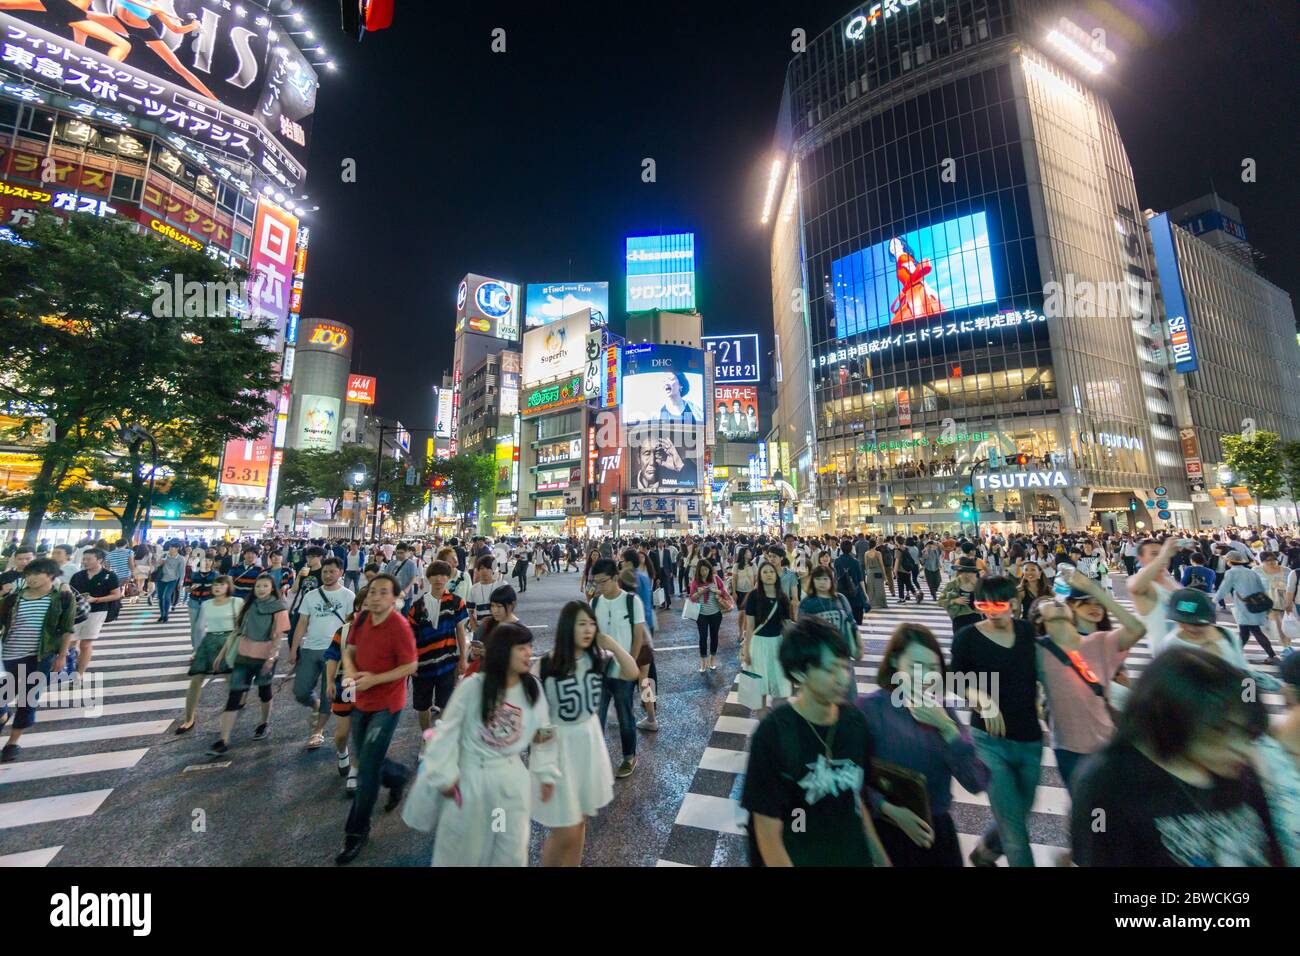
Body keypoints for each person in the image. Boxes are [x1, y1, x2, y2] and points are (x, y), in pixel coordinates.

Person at [1071, 647, 1283, 866]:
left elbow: (1273, 850)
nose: (1243, 749)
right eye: (1220, 731)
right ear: (1171, 719)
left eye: (1248, 733)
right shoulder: (1106, 783)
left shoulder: (1239, 772)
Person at [741, 616, 891, 866]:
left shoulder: (855, 722)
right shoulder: (773, 733)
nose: (843, 678)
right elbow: (768, 833)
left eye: (844, 667)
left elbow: (857, 801)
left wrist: (881, 859)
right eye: (830, 670)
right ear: (800, 672)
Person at [408, 623, 559, 866]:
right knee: (466, 854)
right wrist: (444, 774)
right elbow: (447, 732)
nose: (528, 653)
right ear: (502, 651)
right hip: (471, 786)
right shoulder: (473, 687)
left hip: (508, 789)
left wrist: (546, 773)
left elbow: (543, 735)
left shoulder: (532, 690)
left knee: (507, 849)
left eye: (529, 647)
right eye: (521, 648)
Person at [860, 623, 989, 866]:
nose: (926, 677)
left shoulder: (942, 711)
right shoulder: (869, 709)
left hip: (935, 834)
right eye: (916, 667)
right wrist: (887, 808)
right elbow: (851, 779)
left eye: (933, 668)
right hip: (885, 833)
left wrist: (948, 729)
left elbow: (976, 781)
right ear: (896, 662)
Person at [535, 601, 640, 866]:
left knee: (580, 820)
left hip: (588, 742)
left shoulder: (599, 660)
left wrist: (612, 644)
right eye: (582, 623)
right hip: (560, 746)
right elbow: (539, 718)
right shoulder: (547, 663)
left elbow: (632, 672)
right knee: (563, 827)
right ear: (568, 627)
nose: (588, 629)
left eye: (592, 623)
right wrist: (543, 765)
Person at [951, 576, 1042, 867]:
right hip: (988, 743)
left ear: (1014, 603)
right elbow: (955, 680)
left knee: (1018, 813)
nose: (992, 610)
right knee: (1016, 831)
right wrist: (980, 697)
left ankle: (986, 851)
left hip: (1030, 740)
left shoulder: (1027, 632)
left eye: (999, 604)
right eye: (984, 604)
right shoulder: (967, 637)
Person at [1033, 571, 1146, 793]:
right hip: (1068, 748)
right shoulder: (1036, 649)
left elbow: (1137, 629)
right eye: (1085, 603)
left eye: (1097, 605)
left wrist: (1095, 590)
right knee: (1086, 810)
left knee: (1111, 807)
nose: (1055, 604)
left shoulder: (1100, 641)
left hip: (1106, 743)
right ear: (1039, 618)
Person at [336, 574, 418, 864]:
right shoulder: (361, 621)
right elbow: (350, 650)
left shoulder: (400, 627)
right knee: (369, 758)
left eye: (384, 592)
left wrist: (375, 680)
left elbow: (410, 665)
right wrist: (348, 671)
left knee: (367, 770)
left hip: (387, 704)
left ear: (395, 598)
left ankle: (356, 831)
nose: (376, 597)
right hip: (362, 698)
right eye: (373, 592)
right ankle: (399, 776)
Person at [0, 558, 77, 763]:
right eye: (28, 574)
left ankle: (12, 743)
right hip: (7, 656)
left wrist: (62, 656)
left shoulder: (62, 598)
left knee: (27, 699)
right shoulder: (14, 598)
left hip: (39, 657)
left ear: (51, 575)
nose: (31, 578)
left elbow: (67, 629)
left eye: (37, 574)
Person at [206, 574, 288, 756]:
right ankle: (223, 740)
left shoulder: (278, 608)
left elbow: (278, 636)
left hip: (265, 657)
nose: (261, 589)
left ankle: (264, 723)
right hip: (243, 655)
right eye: (258, 586)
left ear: (271, 588)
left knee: (264, 692)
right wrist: (222, 654)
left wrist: (271, 658)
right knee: (234, 695)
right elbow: (237, 630)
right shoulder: (248, 605)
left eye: (265, 586)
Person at [589, 558, 647, 779]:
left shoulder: (632, 602)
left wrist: (630, 665)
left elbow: (638, 636)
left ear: (615, 578)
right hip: (600, 671)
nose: (599, 587)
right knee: (597, 717)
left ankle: (629, 757)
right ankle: (596, 760)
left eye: (602, 582)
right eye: (596, 582)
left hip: (623, 672)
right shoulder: (595, 604)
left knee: (625, 716)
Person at [289, 557, 354, 749]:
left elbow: (352, 624)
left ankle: (318, 732)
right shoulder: (311, 596)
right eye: (325, 572)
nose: (327, 575)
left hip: (335, 652)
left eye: (332, 571)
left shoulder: (349, 596)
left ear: (341, 573)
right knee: (300, 691)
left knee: (329, 694)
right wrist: (294, 649)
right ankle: (315, 705)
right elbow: (302, 624)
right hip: (310, 648)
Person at [406, 560, 469, 731]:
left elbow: (460, 631)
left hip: (447, 662)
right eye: (435, 575)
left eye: (443, 575)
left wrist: (463, 658)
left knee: (446, 704)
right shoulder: (417, 606)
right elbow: (410, 637)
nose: (439, 579)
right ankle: (426, 738)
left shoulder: (457, 602)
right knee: (422, 705)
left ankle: (441, 738)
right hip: (422, 664)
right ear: (429, 577)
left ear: (448, 578)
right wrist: (410, 662)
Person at [175, 575, 241, 735]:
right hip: (209, 641)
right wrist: (196, 649)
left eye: (222, 585)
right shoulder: (206, 604)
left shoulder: (237, 602)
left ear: (228, 587)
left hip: (228, 641)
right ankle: (189, 718)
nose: (218, 587)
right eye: (215, 585)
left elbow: (240, 626)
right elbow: (199, 627)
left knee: (229, 680)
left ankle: (232, 714)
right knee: (196, 679)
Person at [324, 589, 369, 793]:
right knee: (342, 733)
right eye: (365, 604)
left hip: (369, 687)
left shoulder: (384, 631)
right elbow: (332, 656)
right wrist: (330, 681)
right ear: (358, 607)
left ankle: (355, 770)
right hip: (346, 684)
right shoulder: (344, 631)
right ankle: (342, 752)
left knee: (362, 731)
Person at [742, 561, 795, 712]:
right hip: (758, 645)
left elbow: (786, 624)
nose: (768, 575)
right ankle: (765, 728)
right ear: (759, 576)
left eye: (771, 572)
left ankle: (775, 724)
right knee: (760, 693)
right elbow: (750, 626)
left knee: (782, 691)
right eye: (764, 572)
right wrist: (746, 650)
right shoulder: (753, 596)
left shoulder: (782, 597)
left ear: (776, 575)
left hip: (778, 645)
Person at [1215, 552, 1282, 665]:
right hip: (1256, 605)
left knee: (1253, 631)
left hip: (1245, 607)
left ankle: (1272, 655)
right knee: (1246, 632)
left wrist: (1214, 600)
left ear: (1230, 561)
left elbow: (1224, 588)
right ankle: (1236, 654)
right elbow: (1261, 588)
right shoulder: (1251, 571)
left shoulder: (1231, 572)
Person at [67, 548, 121, 681]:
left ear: (99, 560)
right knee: (70, 642)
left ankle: (79, 674)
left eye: (89, 559)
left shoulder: (109, 575)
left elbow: (116, 595)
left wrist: (96, 599)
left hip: (97, 612)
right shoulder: (78, 576)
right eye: (84, 559)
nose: (85, 562)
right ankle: (69, 667)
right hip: (77, 612)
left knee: (85, 644)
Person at [798, 566, 860, 662]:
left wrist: (860, 645)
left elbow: (852, 623)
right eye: (818, 579)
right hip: (818, 655)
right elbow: (801, 630)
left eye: (825, 579)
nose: (822, 582)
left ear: (831, 581)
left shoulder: (840, 598)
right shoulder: (807, 602)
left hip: (841, 652)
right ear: (813, 581)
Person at [687, 560, 732, 673]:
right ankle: (703, 661)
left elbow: (724, 592)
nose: (704, 572)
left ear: (709, 569)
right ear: (698, 570)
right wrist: (700, 592)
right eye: (702, 570)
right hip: (701, 614)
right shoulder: (696, 582)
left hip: (716, 613)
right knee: (702, 637)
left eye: (706, 570)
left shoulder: (715, 579)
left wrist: (713, 590)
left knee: (714, 636)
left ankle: (713, 659)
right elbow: (692, 597)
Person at [938, 557, 982, 635]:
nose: (971, 574)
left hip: (976, 618)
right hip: (959, 618)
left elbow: (988, 600)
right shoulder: (953, 584)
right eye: (968, 572)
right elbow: (940, 601)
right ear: (961, 572)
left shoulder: (979, 583)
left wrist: (977, 585)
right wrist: (954, 601)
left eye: (973, 572)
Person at [833, 539, 869, 625]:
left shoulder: (837, 561)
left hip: (841, 592)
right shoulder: (855, 562)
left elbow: (835, 577)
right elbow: (860, 579)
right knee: (857, 619)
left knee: (845, 618)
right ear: (851, 549)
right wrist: (865, 593)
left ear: (841, 548)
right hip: (855, 593)